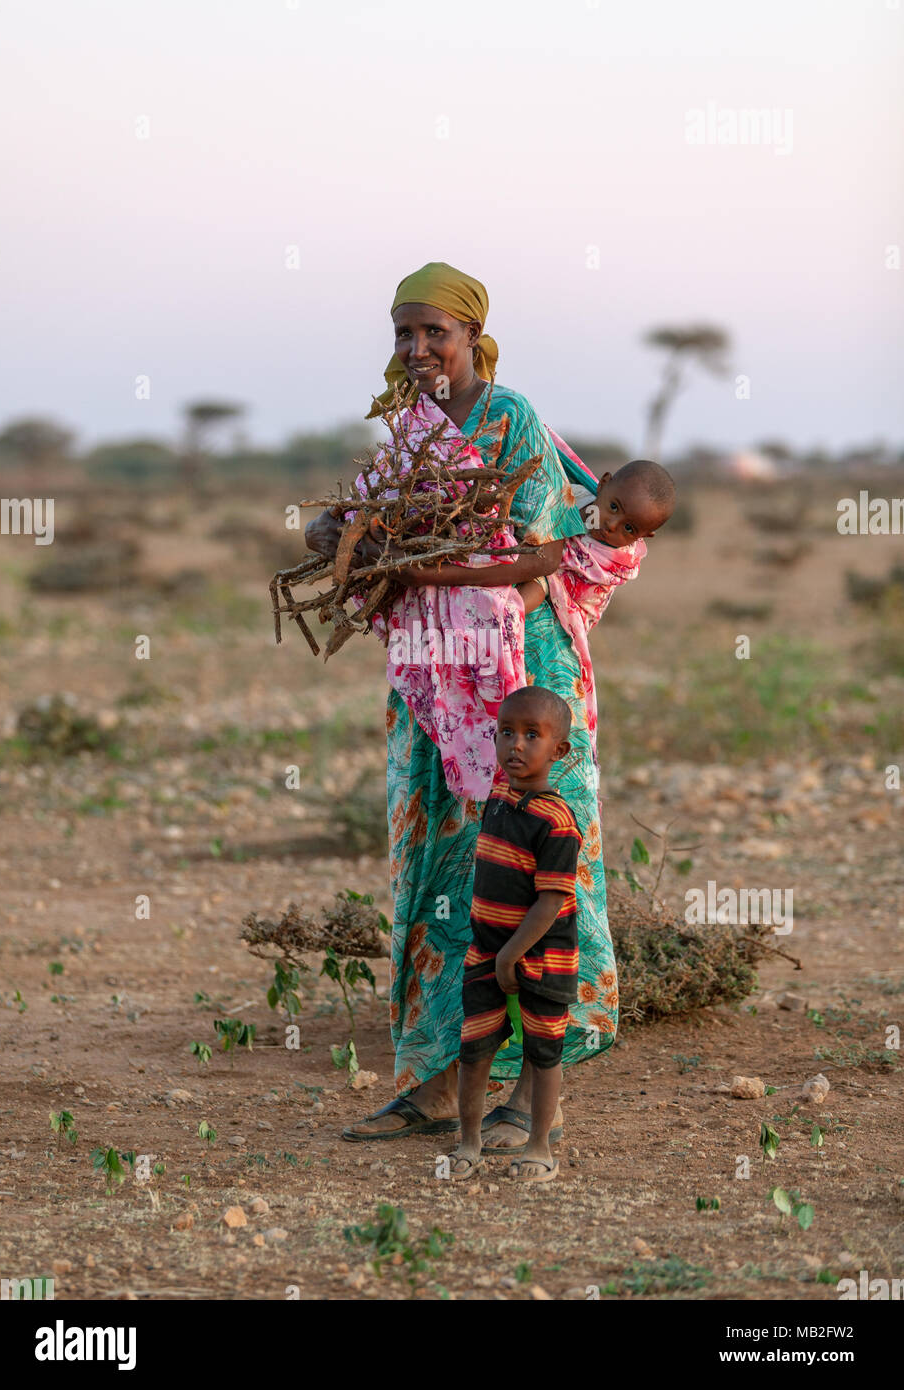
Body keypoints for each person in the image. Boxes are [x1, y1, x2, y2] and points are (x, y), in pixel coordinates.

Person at [305, 262, 618, 1150]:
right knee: (438, 868)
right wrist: (335, 538)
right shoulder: (406, 427)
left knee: (537, 863)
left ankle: (528, 1086)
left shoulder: (510, 417)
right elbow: (373, 522)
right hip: (429, 675)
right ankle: (436, 1080)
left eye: (432, 331)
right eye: (403, 333)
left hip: (519, 675)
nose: (416, 349)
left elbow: (526, 554)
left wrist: (415, 570)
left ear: (471, 335)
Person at [449, 686, 581, 1184]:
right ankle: (468, 1140)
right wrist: (495, 955)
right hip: (487, 952)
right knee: (475, 1048)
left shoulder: (557, 821)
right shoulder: (498, 797)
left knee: (543, 1053)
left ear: (559, 750)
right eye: (506, 732)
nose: (516, 746)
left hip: (541, 958)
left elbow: (551, 902)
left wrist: (511, 956)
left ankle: (541, 1145)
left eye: (532, 735)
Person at [517, 458, 676, 764]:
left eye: (629, 528)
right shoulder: (571, 496)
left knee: (540, 584)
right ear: (602, 485)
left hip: (568, 603)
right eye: (613, 507)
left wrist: (549, 561)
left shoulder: (617, 557)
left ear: (643, 536)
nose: (611, 525)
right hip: (544, 571)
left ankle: (505, 614)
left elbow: (575, 572)